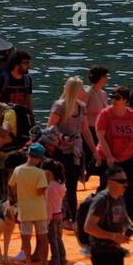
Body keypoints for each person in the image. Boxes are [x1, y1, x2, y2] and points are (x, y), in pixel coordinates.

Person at [94, 85, 133, 223]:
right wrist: (109, 156)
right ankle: (99, 217)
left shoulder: (131, 114)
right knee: (105, 189)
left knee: (131, 188)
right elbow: (100, 136)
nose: (113, 100)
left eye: (117, 97)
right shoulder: (105, 114)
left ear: (125, 100)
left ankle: (131, 219)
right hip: (109, 157)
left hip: (129, 156)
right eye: (112, 97)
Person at [47, 76, 90, 226]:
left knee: (72, 184)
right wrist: (63, 137)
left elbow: (85, 130)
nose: (85, 91)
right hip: (60, 150)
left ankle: (70, 216)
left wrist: (94, 149)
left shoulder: (82, 107)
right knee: (65, 184)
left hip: (76, 151)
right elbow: (50, 128)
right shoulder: (59, 106)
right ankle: (69, 217)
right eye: (82, 88)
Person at [11, 142, 50, 265]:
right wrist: (47, 184)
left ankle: (28, 263)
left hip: (24, 209)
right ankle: (44, 262)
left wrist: (17, 197)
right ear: (39, 158)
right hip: (39, 209)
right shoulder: (40, 173)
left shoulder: (18, 170)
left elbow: (11, 185)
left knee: (26, 237)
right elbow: (39, 192)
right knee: (43, 237)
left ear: (28, 154)